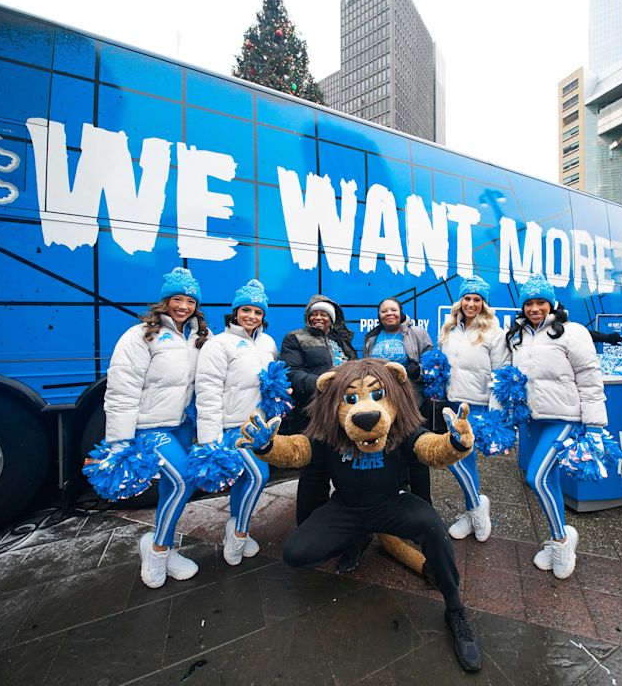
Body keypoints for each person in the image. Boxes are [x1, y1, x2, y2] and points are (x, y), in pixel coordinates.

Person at [235, 359, 483, 672]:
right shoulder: (328, 436)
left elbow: (429, 447)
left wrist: (454, 443)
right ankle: (359, 538)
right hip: (347, 509)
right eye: (350, 399)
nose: (365, 410)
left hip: (392, 504)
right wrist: (269, 447)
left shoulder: (401, 429)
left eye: (377, 395)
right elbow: (297, 449)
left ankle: (455, 609)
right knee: (296, 552)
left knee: (433, 528)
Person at [104, 268, 209, 587]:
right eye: (177, 299)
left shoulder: (199, 337)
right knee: (185, 479)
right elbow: (122, 390)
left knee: (172, 486)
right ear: (165, 301)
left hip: (182, 425)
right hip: (149, 427)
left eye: (190, 301)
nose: (184, 307)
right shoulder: (140, 335)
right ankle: (158, 550)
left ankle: (163, 544)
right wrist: (119, 440)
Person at [506, 273, 606, 579]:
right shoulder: (517, 335)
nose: (535, 308)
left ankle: (561, 541)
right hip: (533, 419)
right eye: (529, 303)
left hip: (565, 418)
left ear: (551, 304)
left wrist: (594, 425)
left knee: (536, 478)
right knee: (548, 479)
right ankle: (560, 532)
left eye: (541, 302)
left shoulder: (572, 332)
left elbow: (590, 378)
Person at [194, 279, 278, 565]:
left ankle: (235, 525)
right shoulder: (218, 344)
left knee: (246, 478)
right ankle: (239, 532)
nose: (252, 316)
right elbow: (208, 391)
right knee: (259, 477)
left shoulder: (267, 343)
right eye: (246, 310)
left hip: (258, 426)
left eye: (258, 312)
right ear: (235, 312)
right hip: (231, 426)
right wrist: (210, 439)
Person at [434, 275, 506, 542]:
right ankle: (474, 508)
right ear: (460, 301)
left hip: (476, 405)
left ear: (484, 303)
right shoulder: (449, 330)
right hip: (453, 402)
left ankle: (475, 508)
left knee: (456, 459)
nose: (471, 304)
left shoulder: (494, 333)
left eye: (477, 299)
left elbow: (501, 373)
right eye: (467, 298)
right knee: (465, 461)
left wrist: (494, 412)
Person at [363, 297, 435, 500]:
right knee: (389, 448)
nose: (389, 314)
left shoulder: (417, 333)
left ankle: (422, 500)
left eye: (393, 310)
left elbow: (434, 366)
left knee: (414, 449)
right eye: (384, 311)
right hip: (381, 402)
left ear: (401, 313)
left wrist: (418, 371)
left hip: (410, 401)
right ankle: (394, 492)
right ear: (379, 316)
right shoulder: (371, 338)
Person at [280, 295, 357, 437]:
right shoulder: (295, 338)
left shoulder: (342, 341)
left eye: (324, 314)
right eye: (314, 314)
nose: (318, 317)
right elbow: (292, 373)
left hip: (343, 406)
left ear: (332, 319)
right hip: (312, 408)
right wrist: (325, 384)